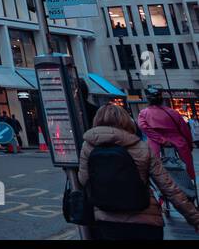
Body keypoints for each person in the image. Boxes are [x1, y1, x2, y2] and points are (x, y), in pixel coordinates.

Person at [78, 103, 199, 240]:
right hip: (145, 220)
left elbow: (83, 179)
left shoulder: (87, 147)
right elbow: (169, 188)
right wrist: (194, 218)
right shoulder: (141, 147)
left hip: (107, 220)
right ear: (125, 120)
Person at [137, 85, 196, 188]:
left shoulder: (144, 113)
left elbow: (143, 127)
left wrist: (161, 139)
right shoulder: (172, 112)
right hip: (178, 145)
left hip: (157, 147)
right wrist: (189, 146)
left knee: (161, 177)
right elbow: (185, 131)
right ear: (162, 99)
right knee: (186, 176)